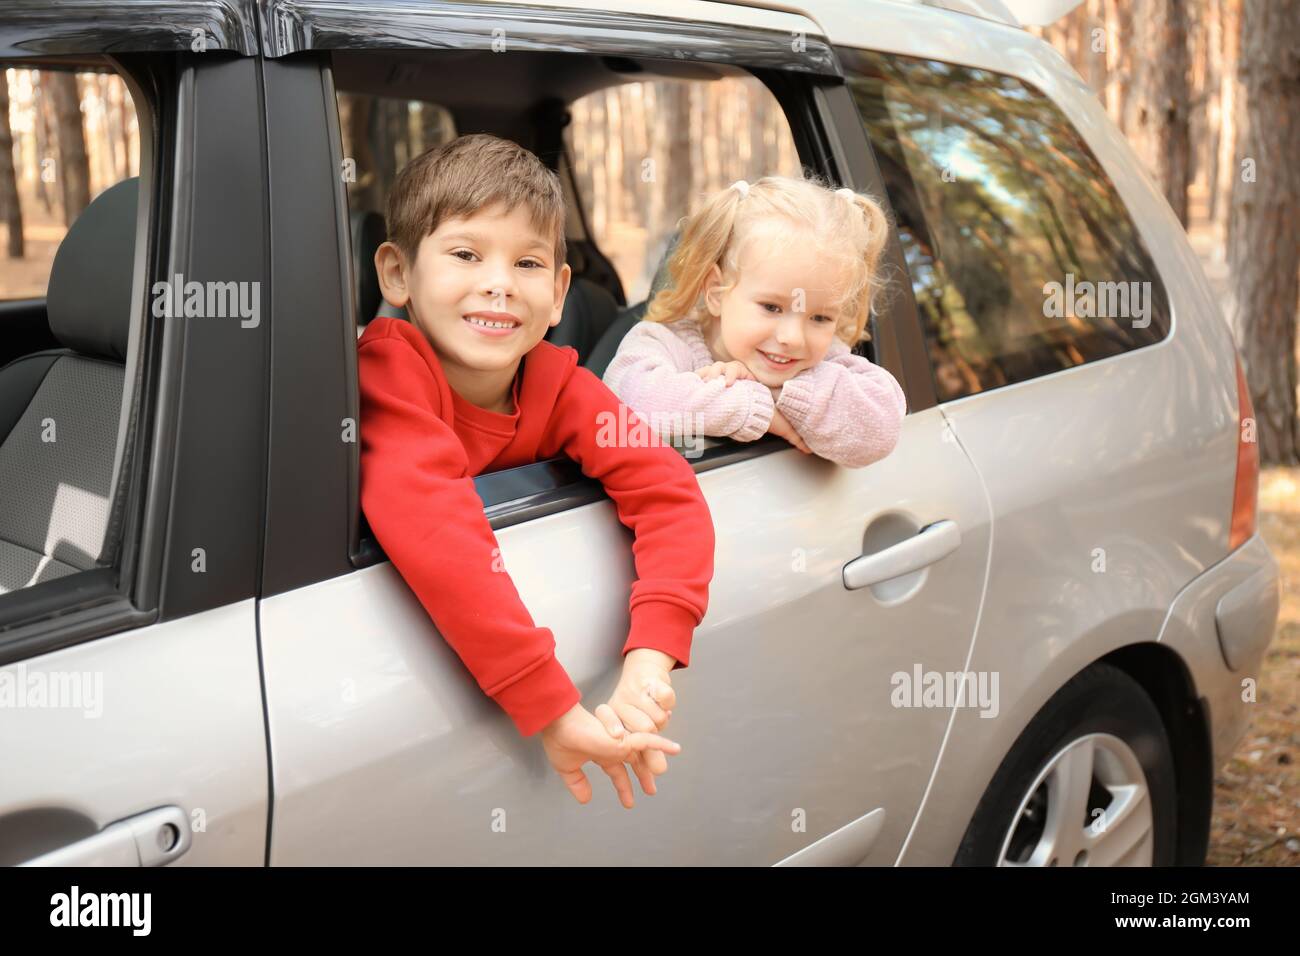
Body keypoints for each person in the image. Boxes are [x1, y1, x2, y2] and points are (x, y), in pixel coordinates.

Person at [357, 134, 715, 808]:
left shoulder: (560, 384)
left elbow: (667, 491)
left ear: (556, 293)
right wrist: (551, 705)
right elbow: (436, 528)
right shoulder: (388, 371)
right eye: (466, 254)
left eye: (525, 262)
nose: (497, 282)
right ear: (398, 274)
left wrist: (650, 658)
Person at [603, 175, 907, 468]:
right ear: (716, 291)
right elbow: (622, 406)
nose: (793, 338)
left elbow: (881, 429)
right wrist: (753, 407)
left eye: (820, 317)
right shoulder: (665, 342)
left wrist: (776, 390)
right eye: (772, 307)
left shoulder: (824, 359)